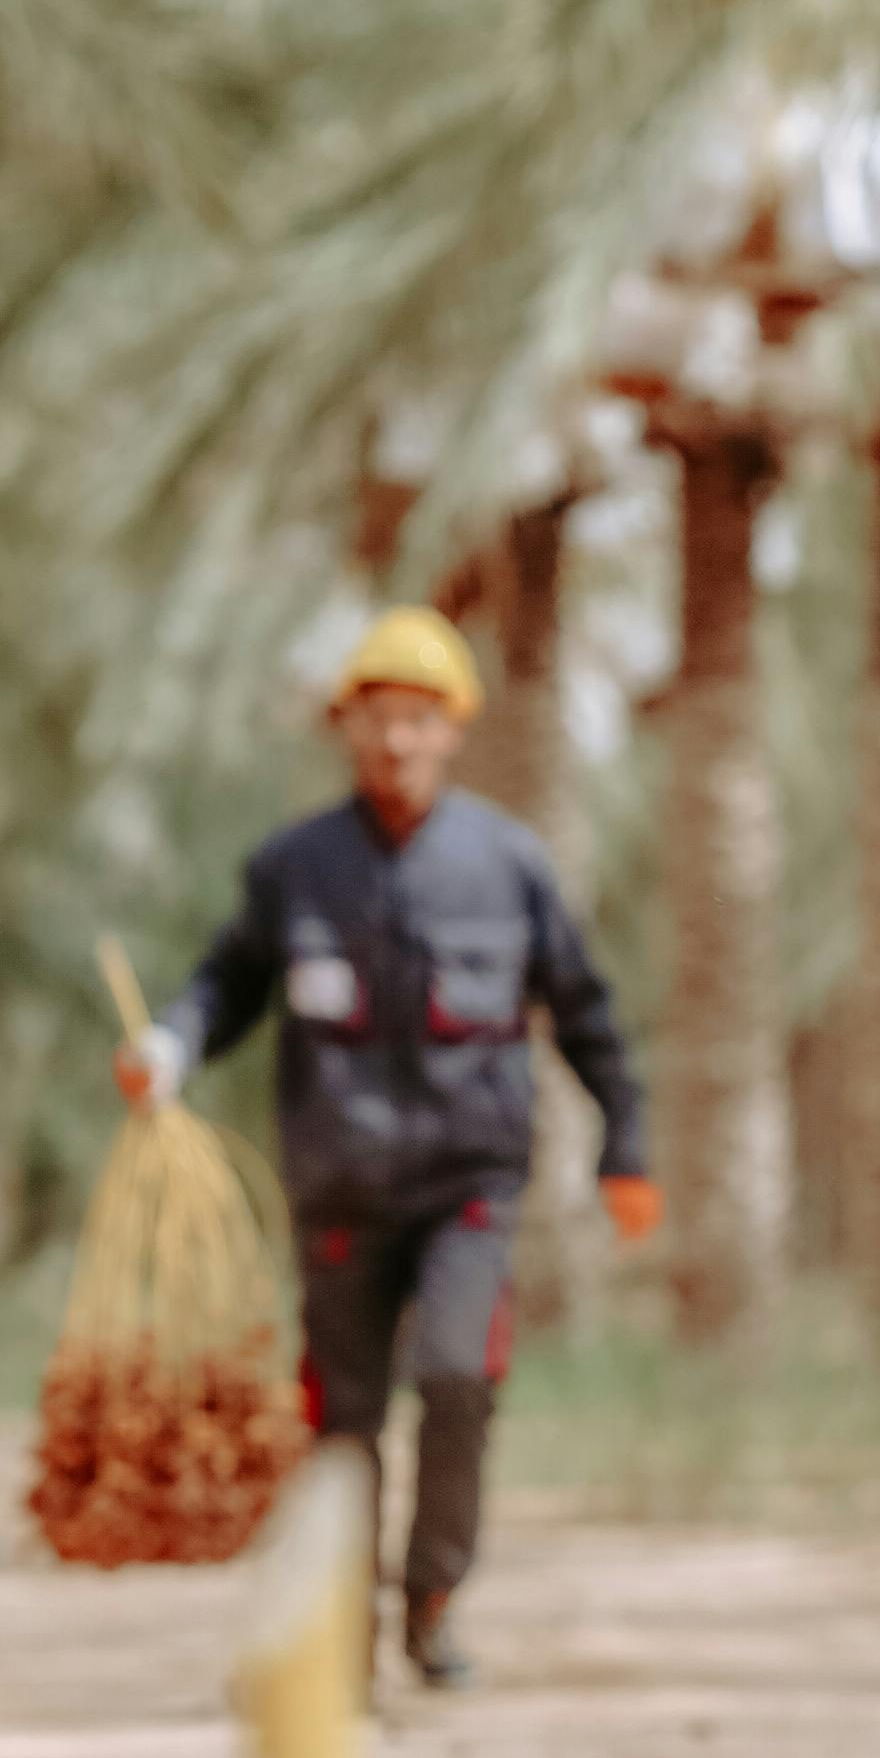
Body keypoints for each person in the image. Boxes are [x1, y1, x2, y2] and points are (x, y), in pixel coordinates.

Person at [124, 608, 658, 1687]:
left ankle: (434, 1595)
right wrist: (168, 1046)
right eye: (377, 720)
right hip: (341, 1188)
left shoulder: (508, 864)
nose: (397, 742)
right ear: (346, 729)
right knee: (341, 1424)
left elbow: (586, 1011)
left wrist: (626, 1147)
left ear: (452, 730)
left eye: (419, 721)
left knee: (460, 1377)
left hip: (469, 1182)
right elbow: (226, 985)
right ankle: (342, 1636)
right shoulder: (294, 868)